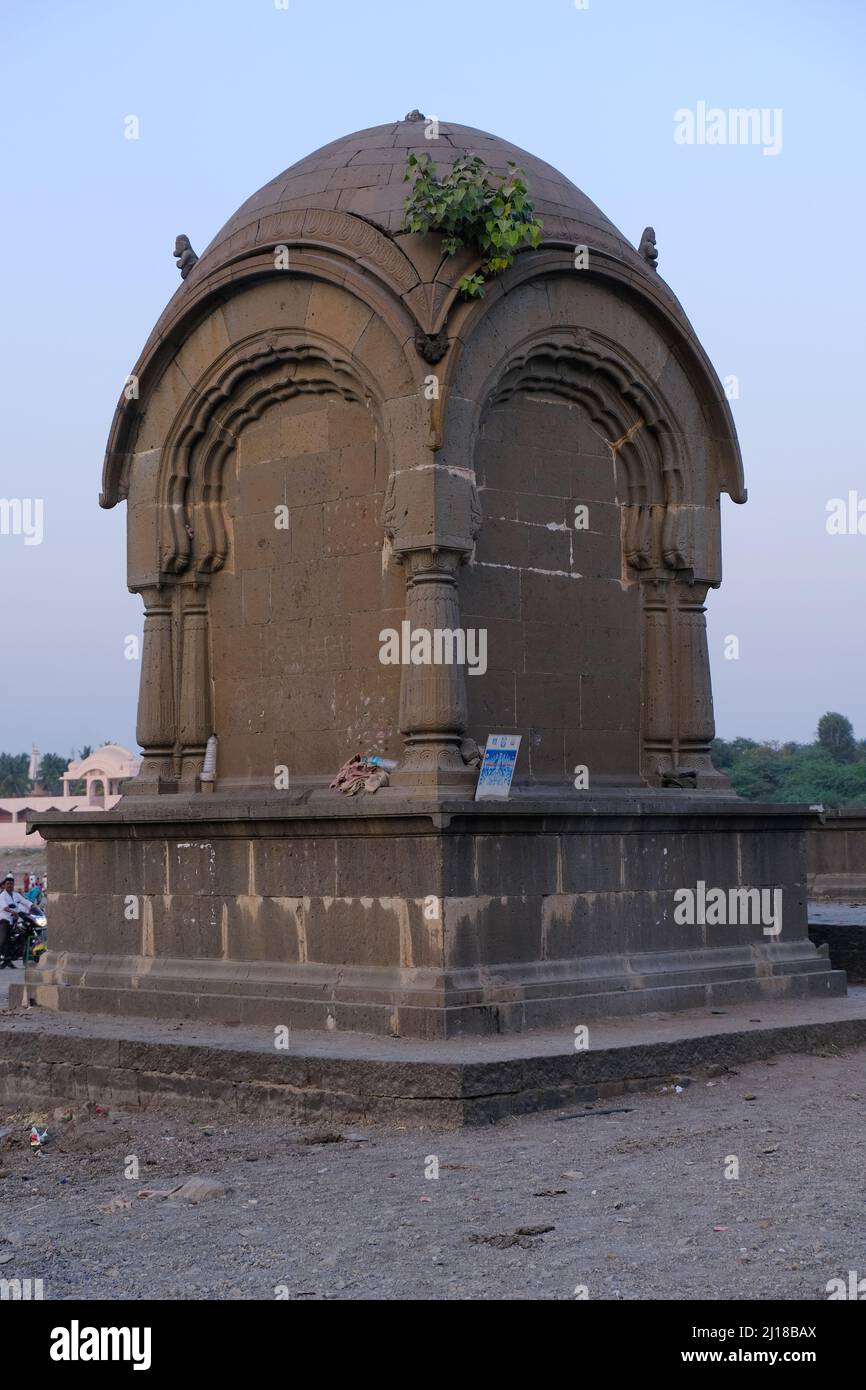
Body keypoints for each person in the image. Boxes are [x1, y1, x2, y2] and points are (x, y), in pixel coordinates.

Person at [0, 873, 32, 967]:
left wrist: (34, 907)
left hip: (14, 920)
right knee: (3, 939)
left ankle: (8, 960)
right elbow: (5, 907)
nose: (10, 885)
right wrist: (12, 912)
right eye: (8, 883)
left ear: (13, 885)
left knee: (17, 936)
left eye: (11, 884)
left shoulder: (16, 895)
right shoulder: (2, 896)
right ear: (5, 885)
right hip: (4, 920)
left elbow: (26, 902)